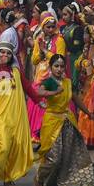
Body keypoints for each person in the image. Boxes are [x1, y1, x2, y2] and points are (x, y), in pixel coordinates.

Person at [34, 54, 94, 186]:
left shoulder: (68, 82)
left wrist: (90, 114)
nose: (59, 69)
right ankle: (39, 178)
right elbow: (39, 92)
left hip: (67, 122)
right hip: (52, 122)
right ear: (51, 67)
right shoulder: (49, 82)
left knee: (66, 158)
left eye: (62, 66)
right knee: (53, 158)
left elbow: (76, 100)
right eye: (56, 66)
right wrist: (53, 92)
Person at [0, 43, 38, 186]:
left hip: (15, 116)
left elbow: (28, 87)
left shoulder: (16, 71)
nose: (5, 55)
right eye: (2, 53)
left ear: (12, 57)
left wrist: (39, 102)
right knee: (2, 146)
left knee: (13, 148)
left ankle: (8, 179)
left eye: (8, 54)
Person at [28, 12, 66, 140]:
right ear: (43, 27)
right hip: (40, 75)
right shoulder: (39, 40)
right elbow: (34, 60)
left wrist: (46, 52)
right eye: (47, 27)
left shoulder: (59, 40)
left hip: (53, 76)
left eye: (52, 27)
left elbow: (60, 59)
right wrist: (40, 52)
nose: (50, 29)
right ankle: (38, 133)